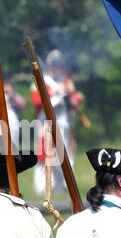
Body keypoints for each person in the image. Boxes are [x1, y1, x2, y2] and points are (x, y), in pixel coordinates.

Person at [31, 50, 84, 196]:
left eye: (60, 65)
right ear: (49, 66)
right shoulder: (41, 81)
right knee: (44, 158)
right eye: (55, 65)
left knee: (64, 157)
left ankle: (61, 186)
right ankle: (40, 188)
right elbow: (38, 100)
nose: (58, 68)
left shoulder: (65, 82)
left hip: (64, 124)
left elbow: (74, 101)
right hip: (45, 125)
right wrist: (57, 94)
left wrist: (73, 96)